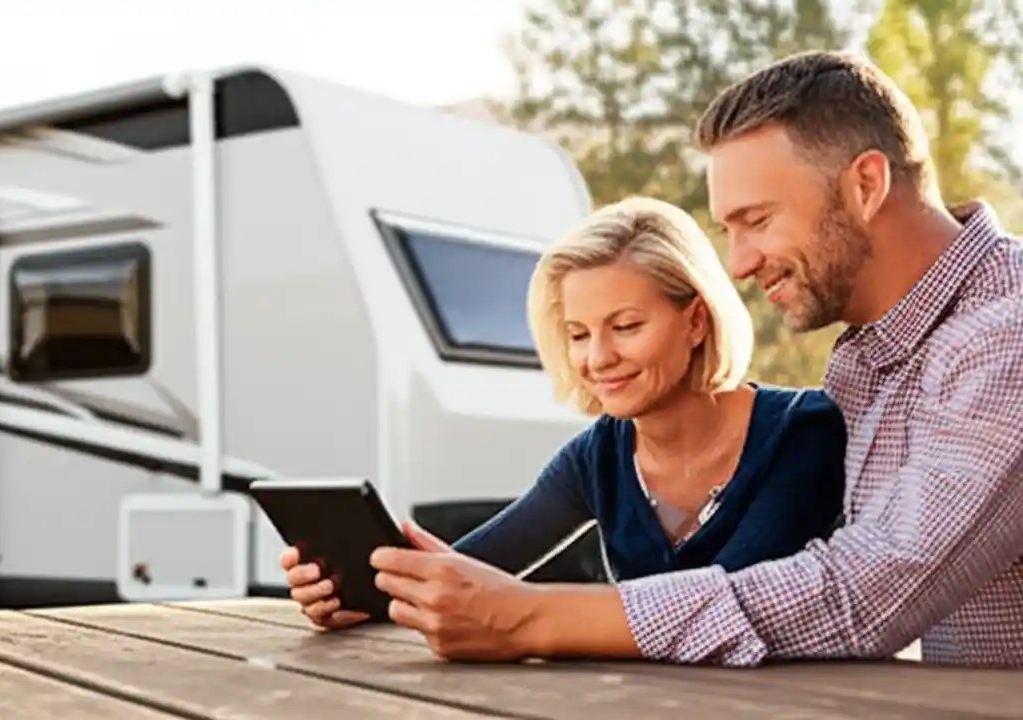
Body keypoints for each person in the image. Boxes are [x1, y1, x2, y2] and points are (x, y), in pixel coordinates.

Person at [358, 50, 1023, 667]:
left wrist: (528, 618)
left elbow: (863, 591)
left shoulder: (1004, 334)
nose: (736, 264)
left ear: (866, 183)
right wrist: (382, 584)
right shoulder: (877, 356)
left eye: (757, 220)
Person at [280, 194, 848, 633]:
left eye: (626, 327)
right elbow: (477, 569)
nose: (598, 359)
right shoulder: (596, 457)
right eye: (578, 334)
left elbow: (724, 602)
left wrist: (525, 614)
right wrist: (361, 592)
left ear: (696, 321)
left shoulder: (805, 433)